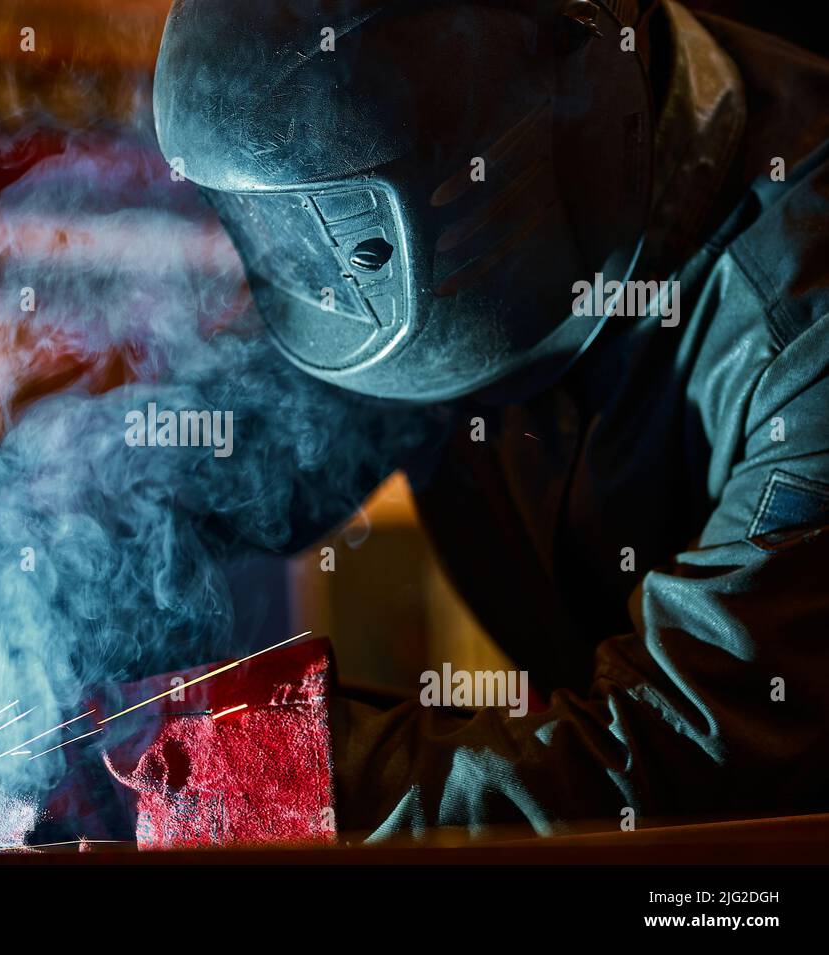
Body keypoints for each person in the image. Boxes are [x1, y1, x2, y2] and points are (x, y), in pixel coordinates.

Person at [152, 0, 829, 836]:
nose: (333, 267)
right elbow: (242, 453)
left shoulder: (805, 330)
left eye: (354, 239)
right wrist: (15, 587)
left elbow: (688, 752)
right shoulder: (416, 210)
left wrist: (301, 776)